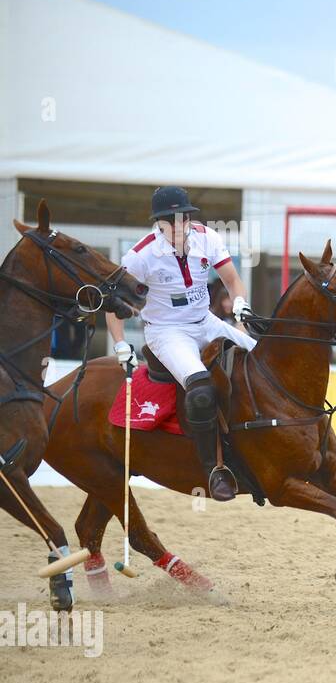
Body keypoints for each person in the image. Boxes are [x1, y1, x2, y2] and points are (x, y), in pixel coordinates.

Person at [107, 186, 257, 501]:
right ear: (158, 223)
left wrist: (240, 301)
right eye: (169, 223)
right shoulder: (139, 256)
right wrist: (120, 343)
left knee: (260, 361)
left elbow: (231, 279)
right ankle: (214, 471)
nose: (178, 228)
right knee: (201, 389)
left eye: (182, 220)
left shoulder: (208, 238)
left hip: (206, 322)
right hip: (166, 331)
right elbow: (114, 304)